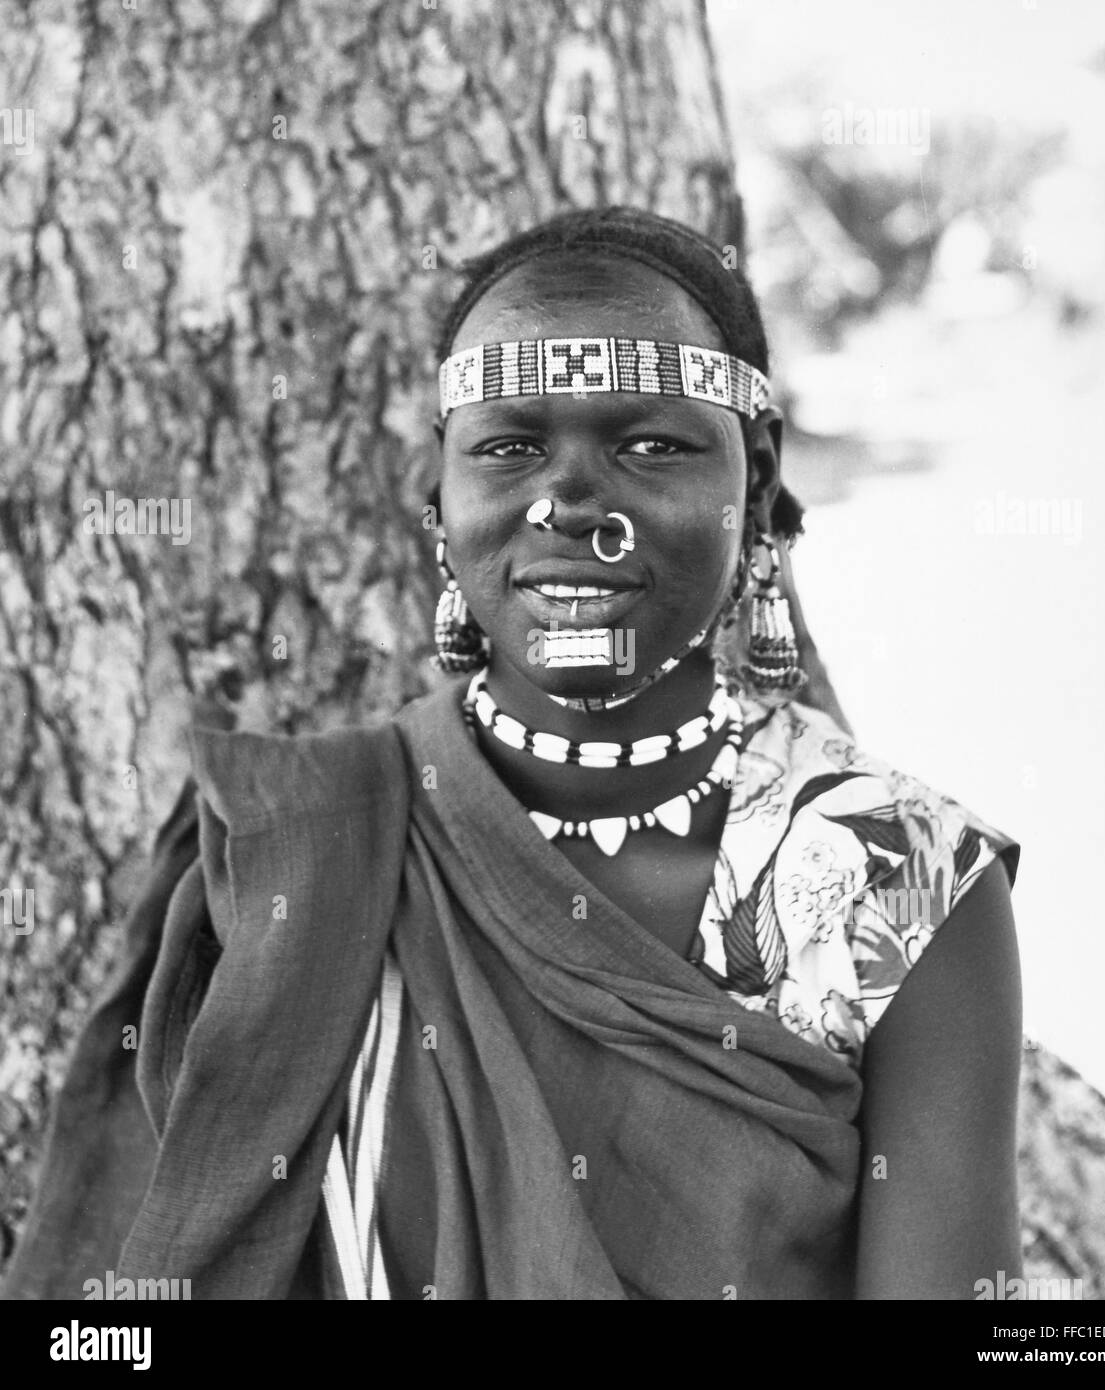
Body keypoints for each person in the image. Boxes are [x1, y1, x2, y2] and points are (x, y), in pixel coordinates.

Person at [2, 207, 1021, 1302]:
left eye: (650, 445)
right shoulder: (286, 844)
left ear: (756, 479)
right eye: (509, 446)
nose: (568, 502)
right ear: (438, 497)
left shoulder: (896, 877)